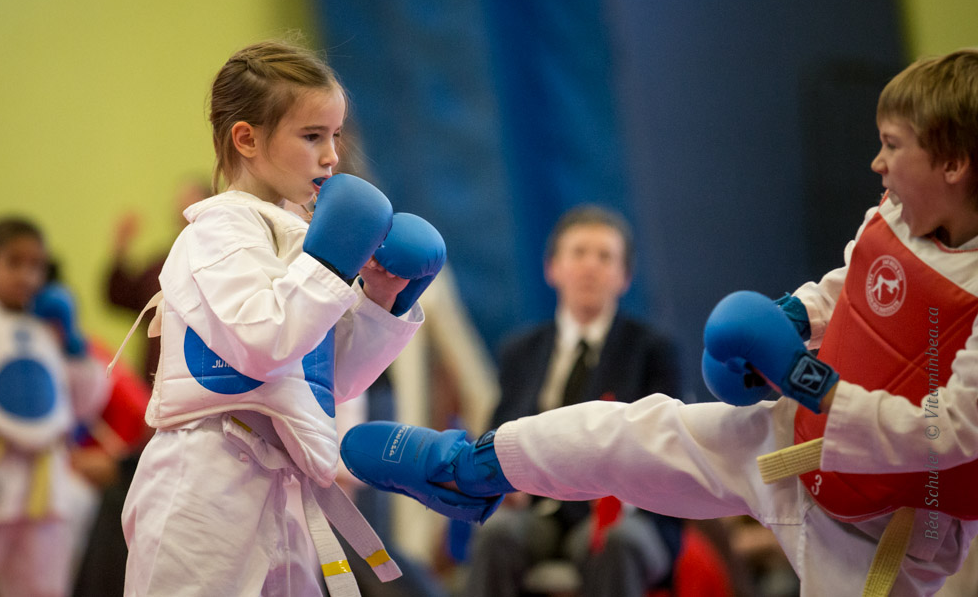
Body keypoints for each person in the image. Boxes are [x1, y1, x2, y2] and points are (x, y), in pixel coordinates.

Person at [341, 49, 978, 596]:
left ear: (953, 165)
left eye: (893, 147)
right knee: (629, 432)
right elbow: (847, 289)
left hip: (890, 527)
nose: (877, 164)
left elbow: (953, 433)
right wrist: (792, 316)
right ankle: (469, 468)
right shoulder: (891, 216)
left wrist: (807, 377)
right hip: (793, 444)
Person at [120, 39, 447, 597]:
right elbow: (264, 344)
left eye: (335, 137)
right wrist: (327, 263)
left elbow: (327, 380)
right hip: (207, 480)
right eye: (312, 136)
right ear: (247, 138)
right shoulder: (214, 233)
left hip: (284, 486)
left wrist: (380, 301)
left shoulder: (303, 241)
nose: (332, 157)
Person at [465, 205, 683, 597]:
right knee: (496, 533)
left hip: (627, 509)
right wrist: (498, 479)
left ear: (625, 276)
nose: (590, 267)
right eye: (579, 253)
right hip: (540, 509)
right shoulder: (521, 351)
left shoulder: (651, 350)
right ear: (553, 268)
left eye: (605, 257)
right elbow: (493, 435)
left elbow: (672, 447)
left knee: (618, 542)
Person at [0, 217, 106, 597]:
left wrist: (74, 345)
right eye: (14, 263)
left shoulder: (49, 330)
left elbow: (84, 405)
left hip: (44, 485)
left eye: (36, 266)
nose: (27, 276)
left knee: (42, 588)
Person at [105, 178, 212, 381]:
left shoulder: (220, 263)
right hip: (156, 375)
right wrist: (120, 248)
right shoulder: (162, 264)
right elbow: (125, 297)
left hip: (200, 373)